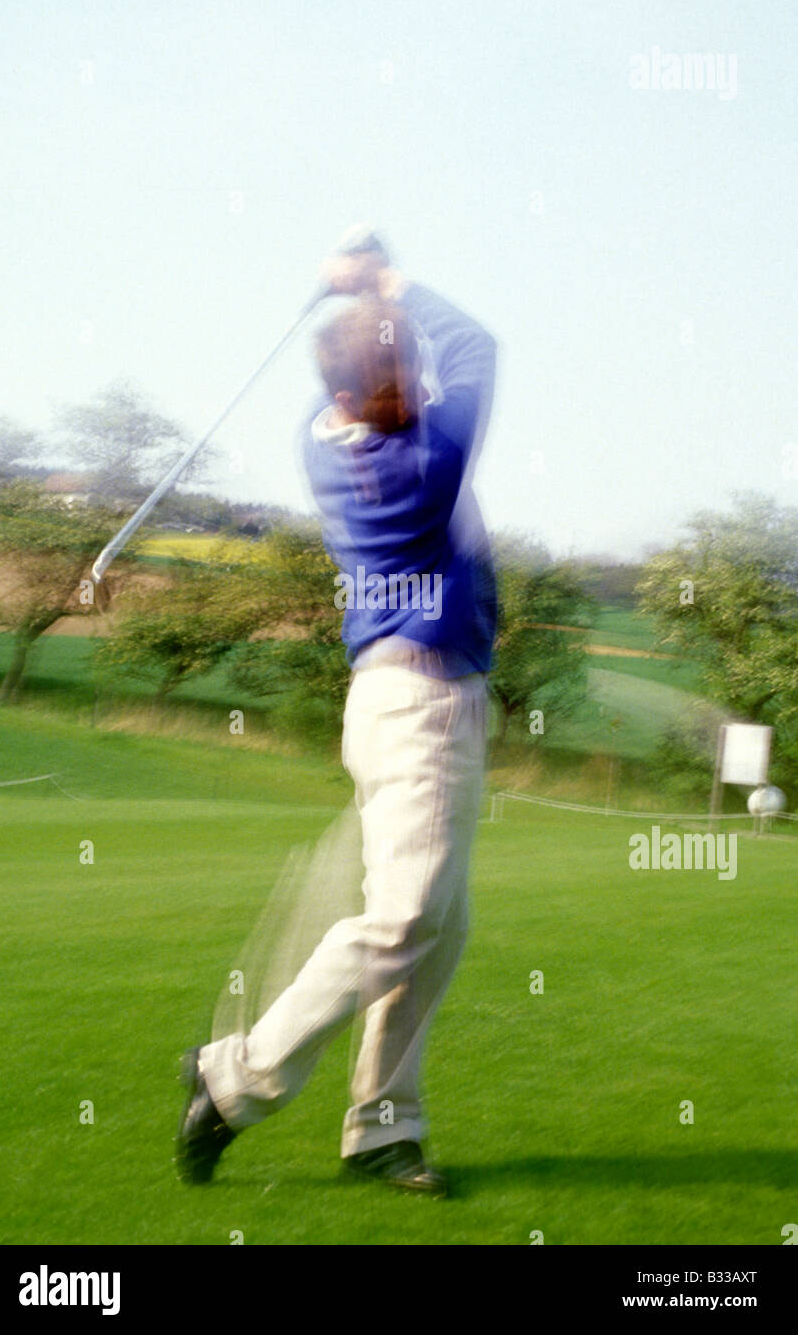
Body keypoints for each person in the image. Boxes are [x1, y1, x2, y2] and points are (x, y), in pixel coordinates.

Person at [176, 238, 497, 1196]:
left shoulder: (322, 433)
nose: (409, 382)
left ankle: (383, 1129)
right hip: (423, 706)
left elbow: (414, 362)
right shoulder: (425, 459)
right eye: (391, 372)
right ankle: (234, 1076)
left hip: (405, 702)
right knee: (404, 918)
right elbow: (475, 347)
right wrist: (388, 281)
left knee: (439, 925)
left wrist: (357, 301)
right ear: (365, 391)